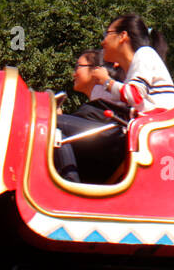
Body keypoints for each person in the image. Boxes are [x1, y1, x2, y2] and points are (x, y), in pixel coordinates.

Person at [53, 50, 133, 184]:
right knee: (56, 133)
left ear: (96, 70)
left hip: (111, 140)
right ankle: (69, 183)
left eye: (78, 66)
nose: (74, 73)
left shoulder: (111, 90)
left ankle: (71, 184)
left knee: (49, 122)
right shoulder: (96, 102)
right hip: (102, 141)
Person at [91, 13, 174, 115]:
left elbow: (135, 96)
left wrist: (106, 81)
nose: (103, 42)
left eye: (107, 34)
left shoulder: (145, 53)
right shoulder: (134, 68)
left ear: (122, 36)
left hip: (158, 122)